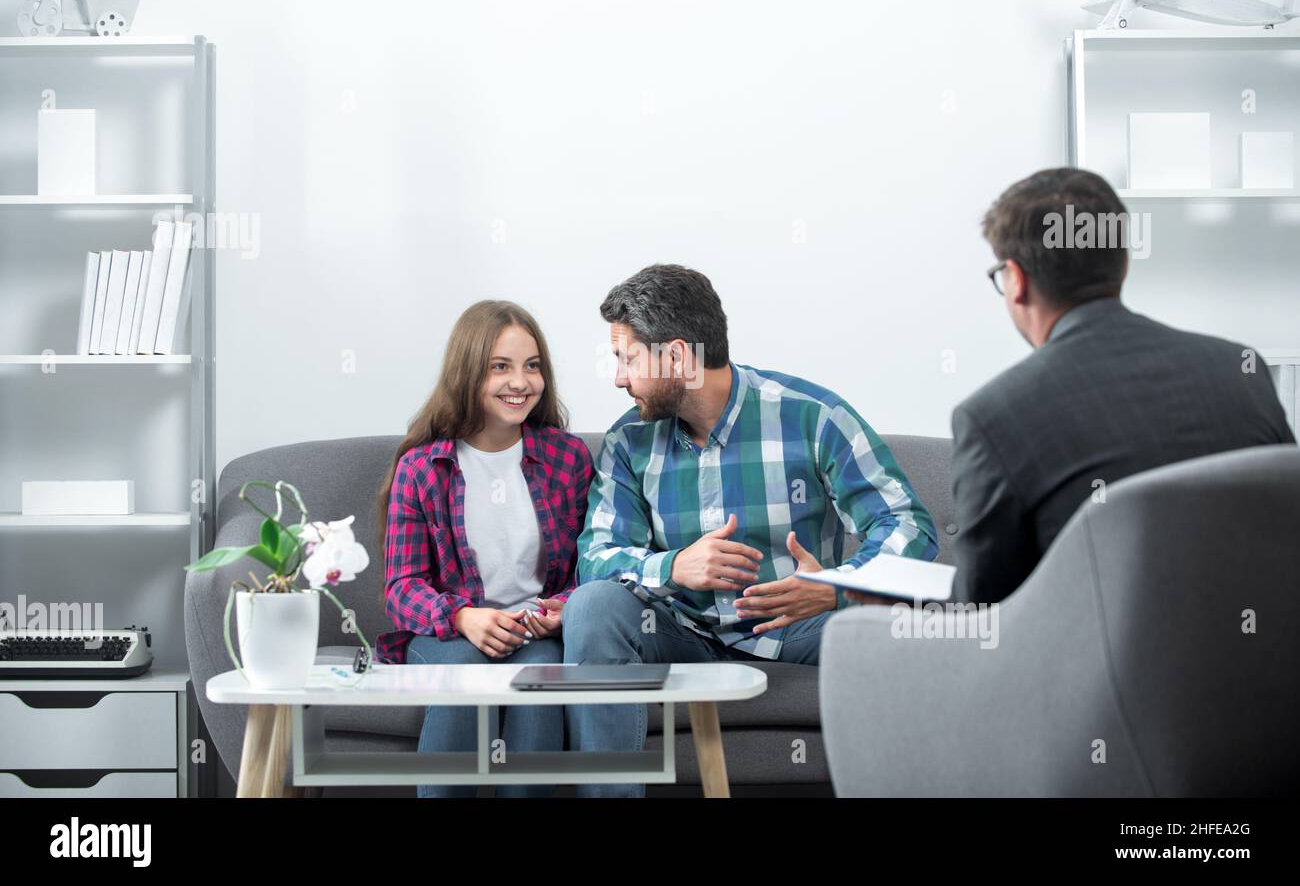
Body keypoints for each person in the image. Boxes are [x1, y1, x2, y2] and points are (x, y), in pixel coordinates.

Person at [564, 263, 939, 796]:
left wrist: (836, 588)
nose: (618, 377)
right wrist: (674, 566)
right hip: (681, 631)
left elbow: (906, 524)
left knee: (903, 626)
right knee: (593, 606)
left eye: (626, 358)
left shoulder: (811, 416)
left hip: (796, 629)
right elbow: (597, 557)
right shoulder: (630, 442)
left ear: (675, 357)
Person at [947, 167, 1294, 603]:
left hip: (1095, 670)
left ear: (1015, 280)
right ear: (1124, 263)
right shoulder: (1242, 369)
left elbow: (980, 619)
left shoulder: (991, 417)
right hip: (1265, 661)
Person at [374, 300, 594, 797]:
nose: (520, 382)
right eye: (501, 366)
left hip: (533, 631)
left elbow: (592, 563)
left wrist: (561, 607)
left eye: (531, 366)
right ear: (468, 372)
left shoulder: (568, 457)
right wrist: (462, 618)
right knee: (466, 672)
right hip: (451, 633)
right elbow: (401, 588)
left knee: (535, 675)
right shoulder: (422, 467)